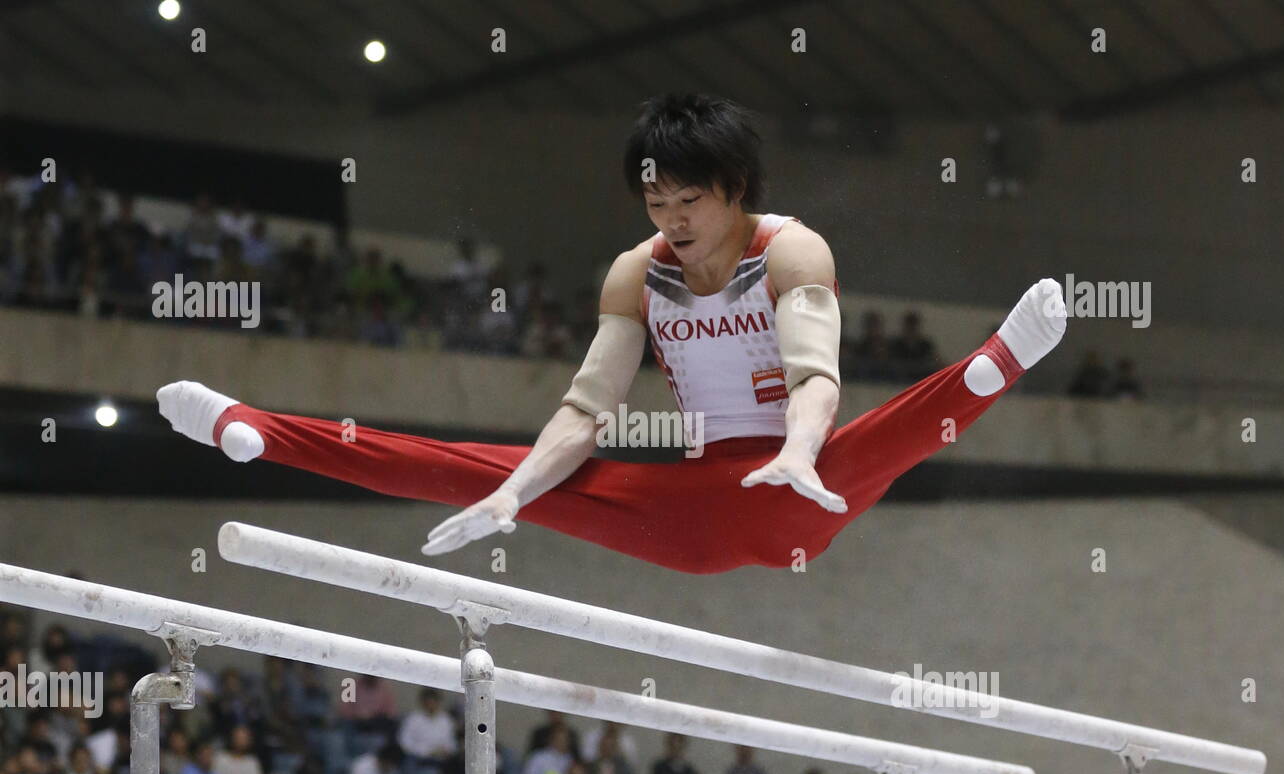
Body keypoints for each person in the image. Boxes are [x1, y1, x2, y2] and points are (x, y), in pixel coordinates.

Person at [155, 93, 1067, 575]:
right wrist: (518, 496)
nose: (671, 217)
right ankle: (260, 430)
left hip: (802, 489)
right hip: (688, 514)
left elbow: (815, 377)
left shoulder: (792, 251)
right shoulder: (636, 274)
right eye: (655, 199)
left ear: (737, 187)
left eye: (689, 199)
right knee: (472, 468)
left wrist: (796, 453)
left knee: (872, 442)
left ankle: (991, 366)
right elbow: (588, 408)